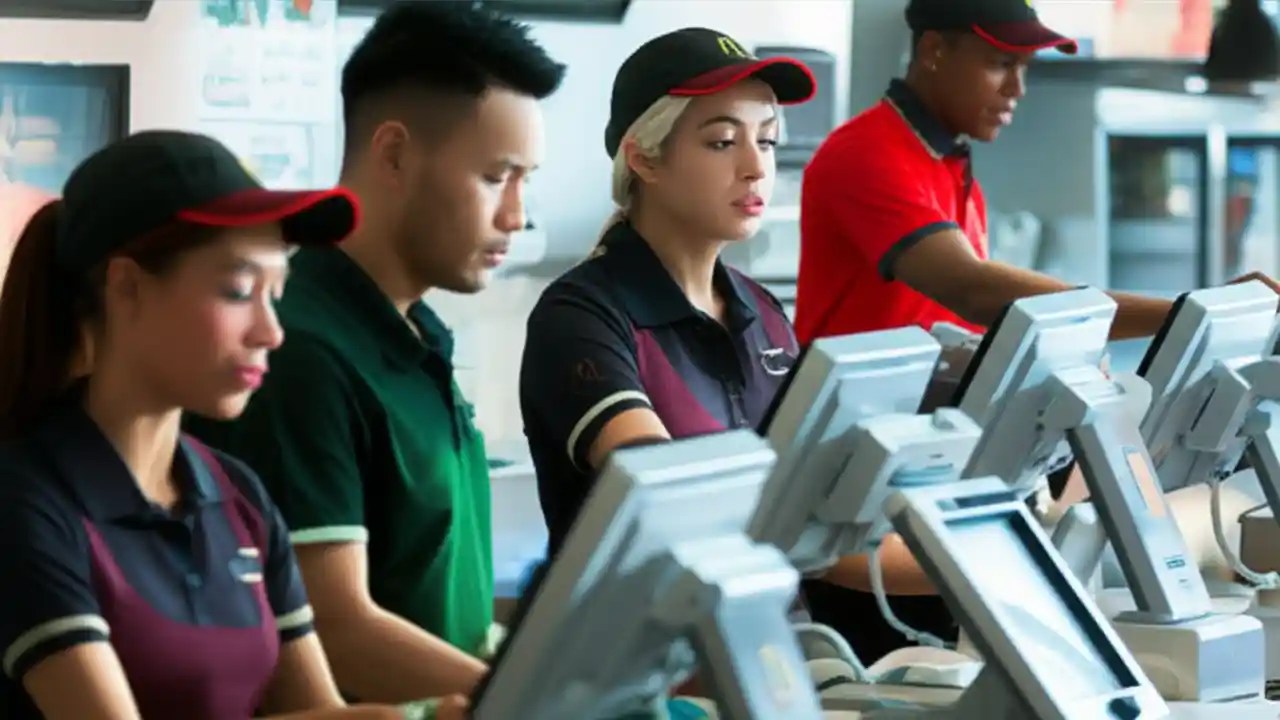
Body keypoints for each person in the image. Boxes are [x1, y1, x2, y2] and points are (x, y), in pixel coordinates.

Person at [794, 0, 1280, 663]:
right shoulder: (867, 153)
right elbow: (971, 288)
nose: (1018, 89)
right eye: (1000, 65)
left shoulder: (950, 163)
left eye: (1024, 67)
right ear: (934, 49)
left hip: (940, 467)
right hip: (865, 486)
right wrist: (1185, 311)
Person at [182, 1, 566, 704]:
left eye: (525, 181)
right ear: (392, 153)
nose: (515, 215)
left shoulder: (415, 333)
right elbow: (335, 632)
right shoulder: (299, 352)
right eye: (495, 177)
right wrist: (533, 700)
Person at [0, 130, 456, 719]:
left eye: (277, 295)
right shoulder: (25, 502)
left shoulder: (238, 493)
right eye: (239, 290)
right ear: (127, 287)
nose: (271, 332)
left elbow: (314, 708)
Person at [519, 27, 814, 555]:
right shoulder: (582, 315)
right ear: (645, 159)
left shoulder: (764, 312)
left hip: (770, 627)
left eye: (766, 140)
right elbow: (668, 493)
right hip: (644, 633)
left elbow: (814, 514)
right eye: (723, 142)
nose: (756, 168)